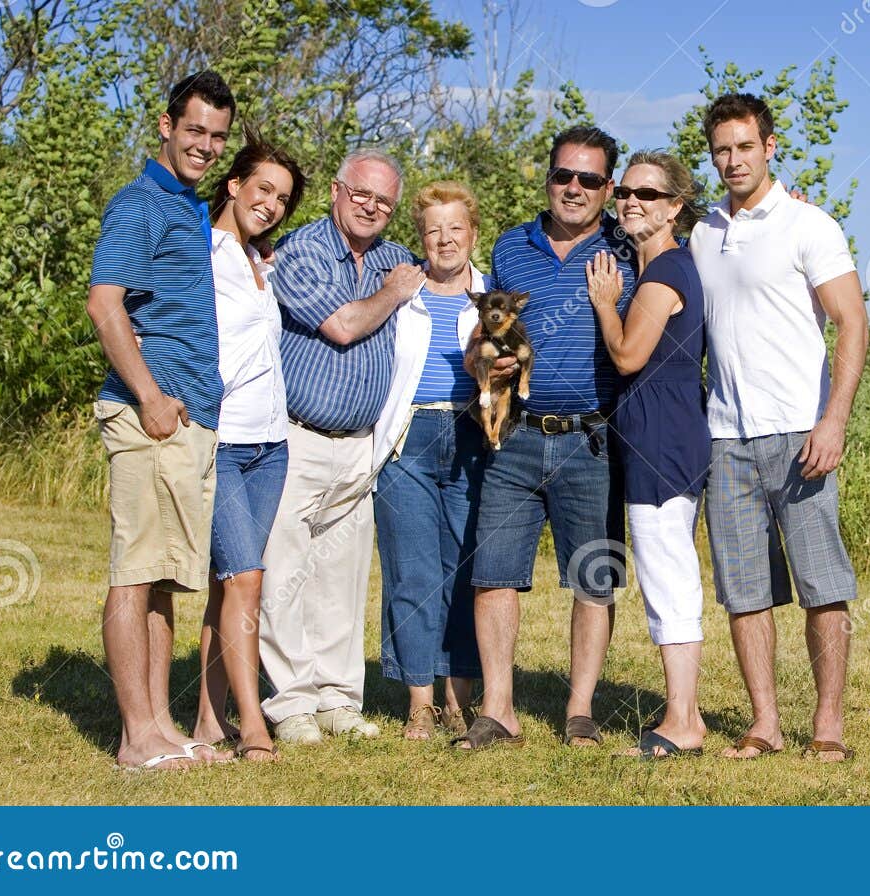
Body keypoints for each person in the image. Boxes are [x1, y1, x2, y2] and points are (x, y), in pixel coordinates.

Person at [690, 93, 870, 762]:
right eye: (721, 151)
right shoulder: (703, 232)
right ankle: (764, 723)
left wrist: (834, 420)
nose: (732, 160)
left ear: (770, 147)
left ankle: (828, 726)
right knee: (745, 590)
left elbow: (853, 322)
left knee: (824, 585)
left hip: (802, 434)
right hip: (724, 439)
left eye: (744, 147)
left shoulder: (809, 225)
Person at [454, 126, 636, 751]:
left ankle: (579, 710)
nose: (574, 189)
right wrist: (488, 362)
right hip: (515, 436)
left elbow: (694, 257)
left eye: (590, 179)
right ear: (549, 178)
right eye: (564, 176)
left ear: (609, 188)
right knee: (495, 573)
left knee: (593, 577)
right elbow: (485, 335)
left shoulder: (627, 245)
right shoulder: (512, 248)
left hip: (592, 438)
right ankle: (498, 711)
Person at [84, 70, 235, 771]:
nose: (206, 145)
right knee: (132, 574)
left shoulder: (187, 205)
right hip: (152, 415)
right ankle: (134, 735)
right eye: (196, 130)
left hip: (186, 418)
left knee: (162, 580)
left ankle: (158, 727)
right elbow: (104, 303)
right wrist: (148, 395)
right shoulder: (141, 203)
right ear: (166, 126)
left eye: (218, 136)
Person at [258, 149, 423, 744]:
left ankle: (338, 699)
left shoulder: (396, 260)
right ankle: (291, 703)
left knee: (342, 577)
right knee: (285, 572)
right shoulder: (302, 250)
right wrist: (394, 294)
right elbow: (344, 325)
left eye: (384, 202)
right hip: (299, 438)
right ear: (336, 191)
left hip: (361, 443)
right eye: (362, 194)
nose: (371, 208)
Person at [585, 151, 710, 758]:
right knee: (667, 568)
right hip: (658, 437)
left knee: (668, 574)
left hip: (664, 440)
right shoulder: (664, 265)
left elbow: (630, 356)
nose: (631, 201)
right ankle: (682, 713)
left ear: (674, 208)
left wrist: (606, 305)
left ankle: (684, 720)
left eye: (648, 195)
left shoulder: (663, 274)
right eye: (626, 192)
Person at [188, 130, 306, 763]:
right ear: (233, 185)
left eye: (284, 197)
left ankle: (209, 719)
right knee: (247, 582)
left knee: (227, 585)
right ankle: (252, 724)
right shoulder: (199, 251)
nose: (272, 204)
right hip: (220, 437)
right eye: (264, 189)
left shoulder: (265, 260)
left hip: (270, 441)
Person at [373, 181, 489, 740]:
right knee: (412, 571)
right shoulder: (401, 289)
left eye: (455, 228)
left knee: (467, 570)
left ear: (473, 233)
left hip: (472, 436)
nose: (444, 240)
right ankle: (419, 699)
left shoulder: (493, 294)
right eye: (432, 230)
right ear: (420, 238)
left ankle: (457, 697)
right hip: (407, 439)